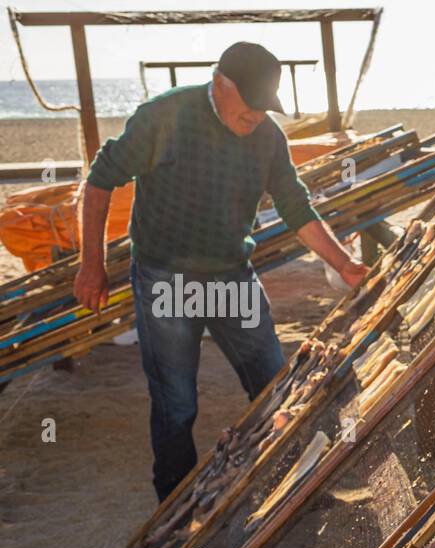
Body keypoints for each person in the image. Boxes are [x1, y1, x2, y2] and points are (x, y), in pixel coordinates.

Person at [74, 41, 368, 500]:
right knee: (177, 402)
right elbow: (99, 181)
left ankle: (294, 484)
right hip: (165, 280)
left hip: (232, 275)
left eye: (261, 110)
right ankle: (175, 501)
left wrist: (345, 264)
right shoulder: (164, 117)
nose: (254, 119)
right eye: (247, 109)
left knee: (274, 383)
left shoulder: (267, 136)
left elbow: (296, 206)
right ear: (219, 85)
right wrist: (90, 264)